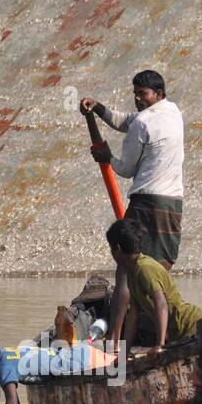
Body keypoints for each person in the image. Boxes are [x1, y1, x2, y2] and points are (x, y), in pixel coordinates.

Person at [80, 70, 184, 346]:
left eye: (143, 94)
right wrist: (99, 108)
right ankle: (154, 333)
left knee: (126, 268)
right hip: (173, 204)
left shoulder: (143, 123)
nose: (138, 98)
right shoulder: (173, 112)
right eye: (135, 93)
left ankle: (115, 337)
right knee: (157, 268)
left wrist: (106, 157)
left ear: (158, 94)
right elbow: (126, 121)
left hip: (146, 201)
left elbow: (125, 169)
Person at [105, 217, 202, 357]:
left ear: (118, 249)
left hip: (190, 326)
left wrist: (159, 345)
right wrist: (124, 354)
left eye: (111, 248)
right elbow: (133, 316)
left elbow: (161, 304)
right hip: (178, 335)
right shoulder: (133, 273)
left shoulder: (145, 268)